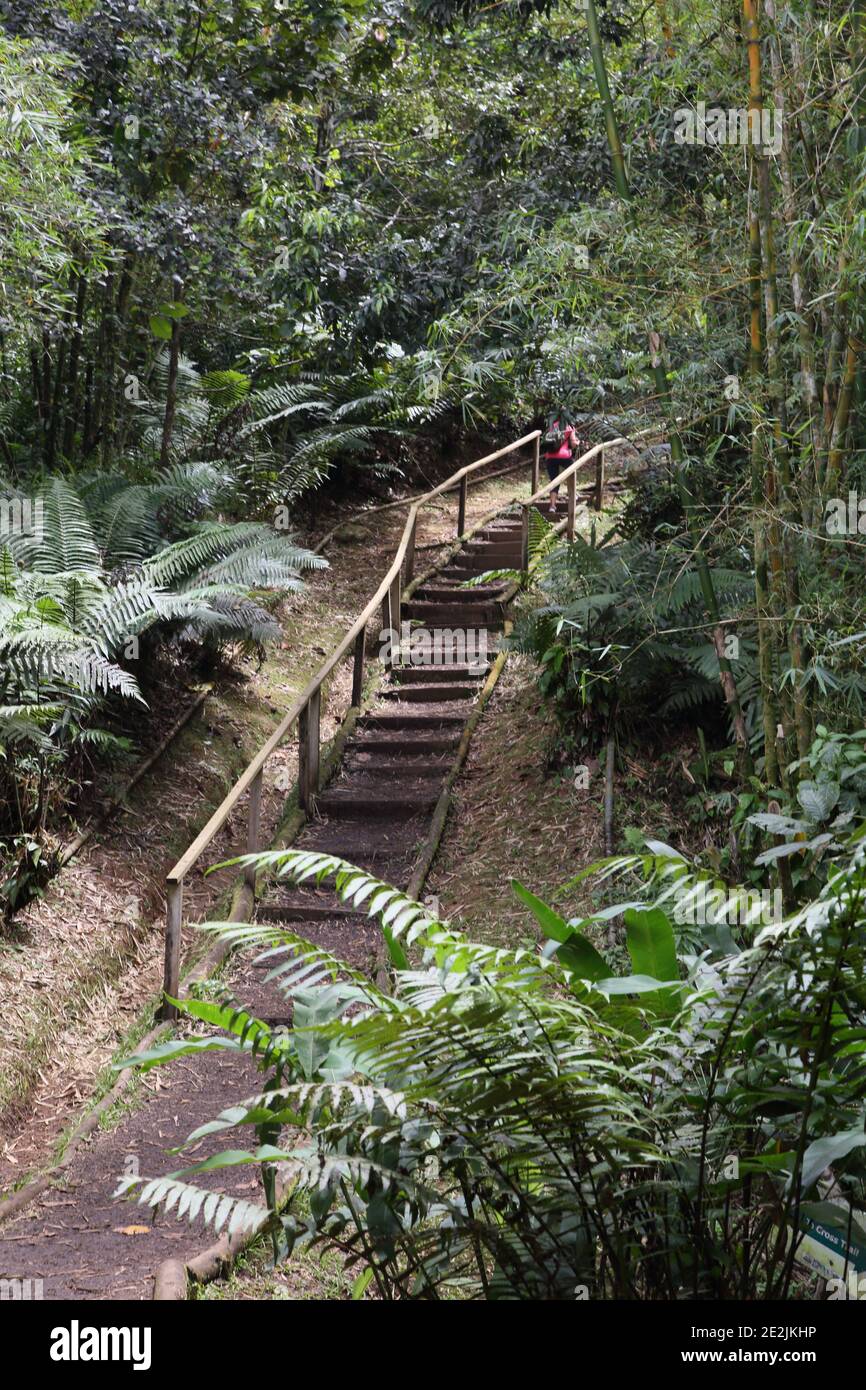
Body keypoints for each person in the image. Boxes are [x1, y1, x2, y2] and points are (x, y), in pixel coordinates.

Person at [542, 413, 578, 515]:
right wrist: (577, 443)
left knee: (554, 481)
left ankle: (552, 506)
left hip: (550, 457)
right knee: (571, 474)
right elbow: (573, 443)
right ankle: (573, 495)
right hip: (565, 456)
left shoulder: (551, 425)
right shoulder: (569, 427)